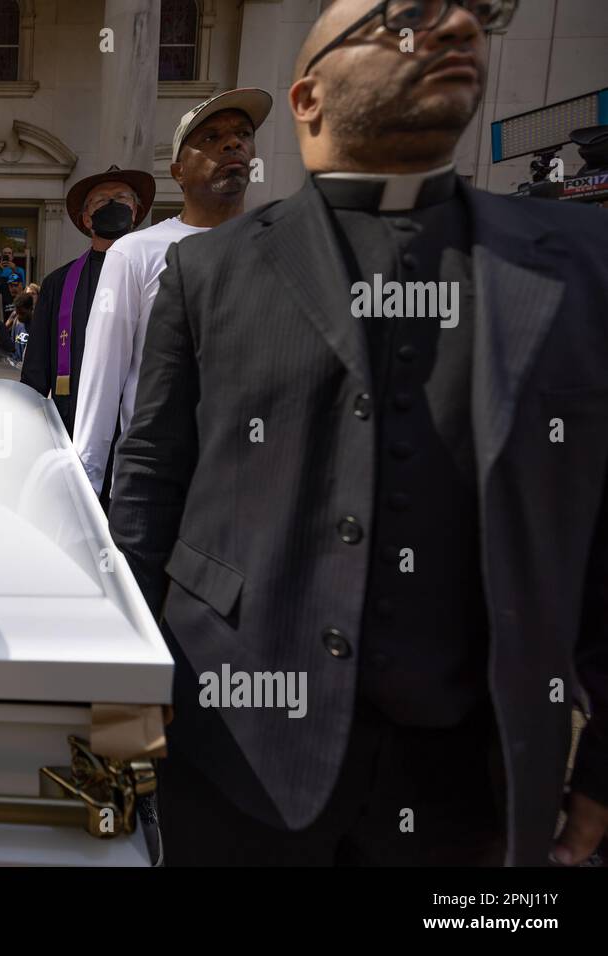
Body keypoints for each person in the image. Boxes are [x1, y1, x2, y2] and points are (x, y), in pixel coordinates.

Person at [109, 0, 608, 867]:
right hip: (234, 746)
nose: (452, 28)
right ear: (310, 96)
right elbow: (150, 479)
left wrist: (603, 762)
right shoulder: (205, 269)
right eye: (403, 19)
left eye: (470, 18)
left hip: (475, 774)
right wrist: (123, 688)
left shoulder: (578, 256)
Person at [74, 89, 271, 497]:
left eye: (242, 134)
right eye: (210, 138)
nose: (232, 143)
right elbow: (103, 376)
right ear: (178, 171)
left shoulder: (280, 246)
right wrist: (86, 493)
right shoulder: (134, 253)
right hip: (163, 491)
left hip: (257, 491)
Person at [20, 165, 154, 438]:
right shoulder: (58, 283)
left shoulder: (156, 275)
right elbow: (36, 367)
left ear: (136, 212)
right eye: (102, 200)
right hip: (74, 420)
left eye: (122, 197)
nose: (113, 203)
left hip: (139, 422)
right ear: (86, 218)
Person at [7, 292, 32, 364]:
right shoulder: (16, 322)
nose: (19, 316)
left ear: (30, 309)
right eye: (17, 313)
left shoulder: (36, 326)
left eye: (22, 313)